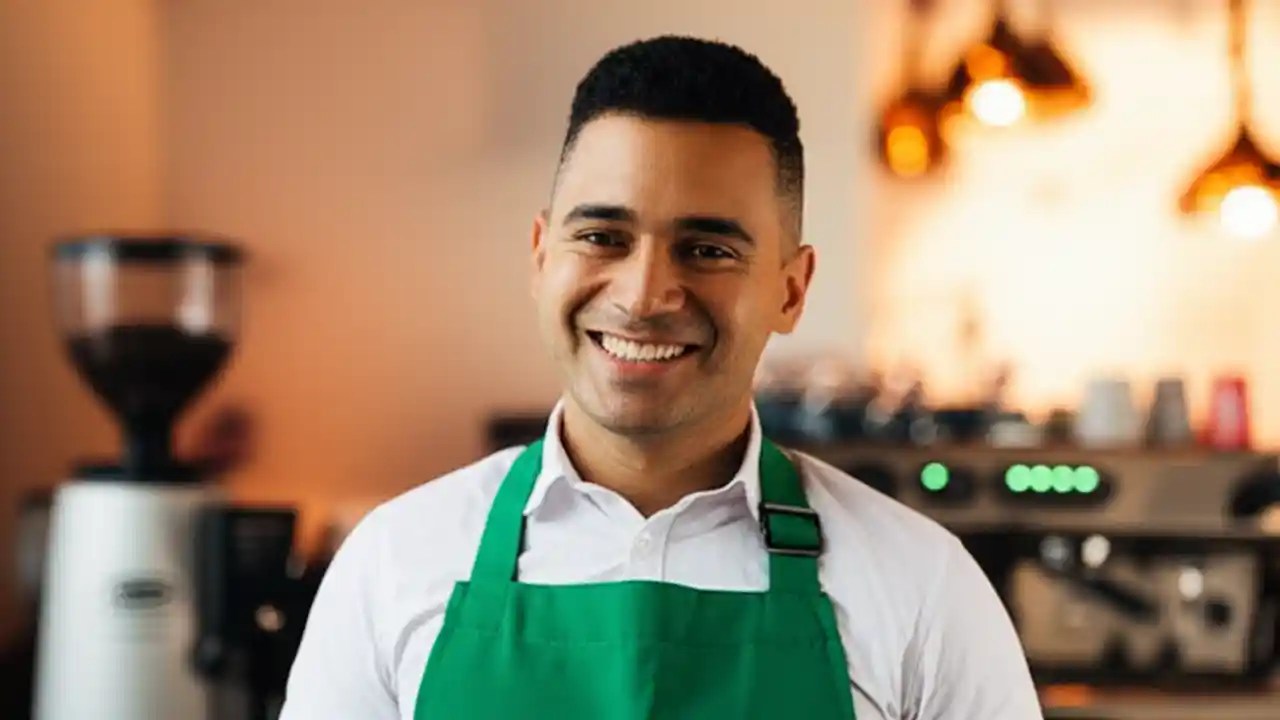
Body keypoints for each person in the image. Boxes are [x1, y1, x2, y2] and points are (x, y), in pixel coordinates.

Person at [279, 35, 1043, 720]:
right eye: (603, 236)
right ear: (542, 255)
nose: (643, 296)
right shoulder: (393, 562)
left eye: (708, 250)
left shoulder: (923, 588)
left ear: (791, 288)